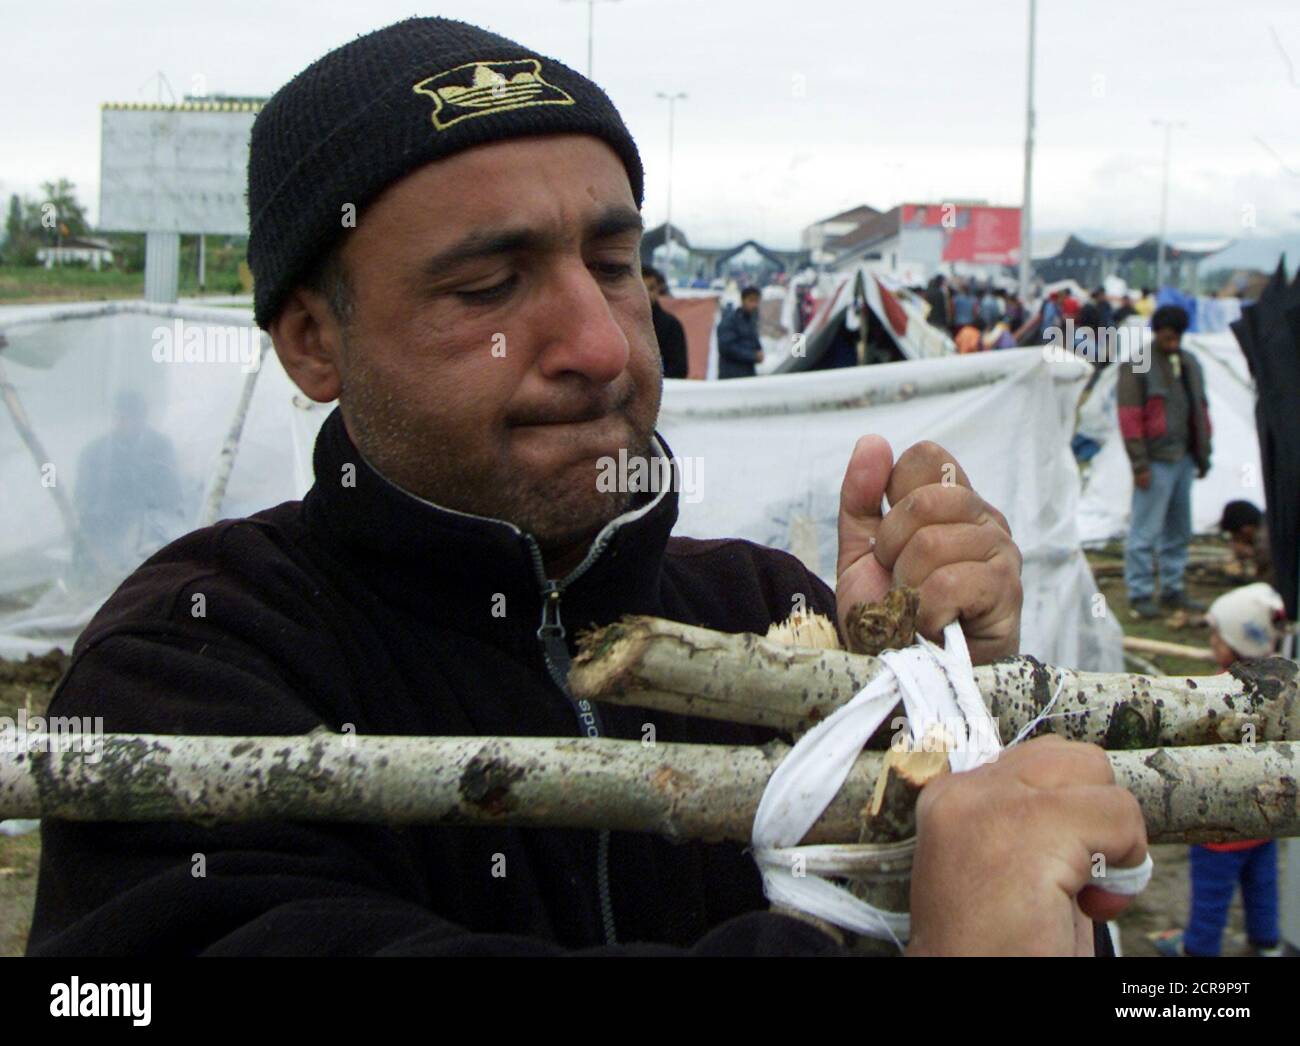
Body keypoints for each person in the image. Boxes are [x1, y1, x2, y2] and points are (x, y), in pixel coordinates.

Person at [28, 16, 1143, 958]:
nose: (605, 345)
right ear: (315, 341)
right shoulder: (195, 663)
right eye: (488, 284)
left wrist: (949, 726)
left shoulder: (766, 611)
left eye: (614, 265)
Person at [1153, 582, 1286, 958]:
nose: (1211, 639)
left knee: (1212, 895)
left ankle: (1199, 948)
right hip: (1265, 818)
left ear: (1231, 645)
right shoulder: (1279, 693)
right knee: (1262, 885)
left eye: (1216, 633)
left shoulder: (1215, 694)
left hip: (1219, 826)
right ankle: (1267, 943)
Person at [1117, 305, 1212, 619]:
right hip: (1156, 461)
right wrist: (1139, 464)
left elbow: (1201, 409)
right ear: (1157, 332)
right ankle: (1140, 593)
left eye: (1177, 337)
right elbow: (1130, 419)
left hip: (1183, 458)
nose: (1172, 341)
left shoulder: (1190, 364)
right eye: (1167, 336)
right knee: (1145, 531)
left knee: (1179, 529)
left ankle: (1173, 588)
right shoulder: (1138, 365)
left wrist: (1203, 452)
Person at [642, 265, 689, 379]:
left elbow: (679, 369)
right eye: (641, 288)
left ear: (659, 289)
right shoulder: (616, 321)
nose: (646, 294)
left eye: (651, 288)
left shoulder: (671, 325)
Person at [716, 286, 765, 379]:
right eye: (751, 300)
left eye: (757, 301)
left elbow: (754, 341)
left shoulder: (751, 320)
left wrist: (759, 352)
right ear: (743, 300)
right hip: (731, 375)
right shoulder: (730, 321)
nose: (754, 304)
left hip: (747, 373)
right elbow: (726, 347)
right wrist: (752, 356)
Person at [1219, 500, 1271, 583]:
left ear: (1245, 529)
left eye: (1235, 534)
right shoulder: (1268, 523)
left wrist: (1251, 553)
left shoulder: (1264, 535)